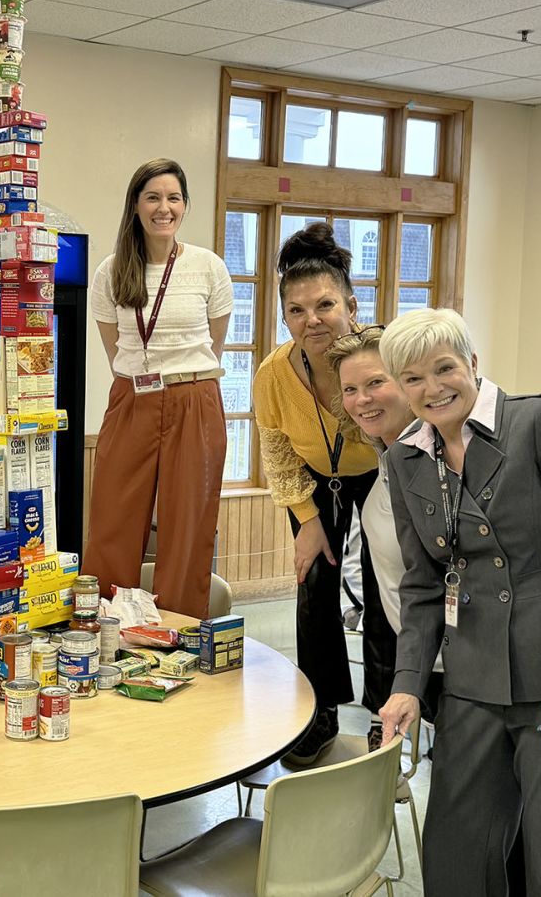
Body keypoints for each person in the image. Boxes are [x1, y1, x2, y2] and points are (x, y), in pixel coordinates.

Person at [378, 308, 541, 897]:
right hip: (472, 685)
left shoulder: (539, 422)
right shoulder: (404, 458)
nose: (432, 388)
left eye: (444, 369)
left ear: (472, 363)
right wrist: (408, 683)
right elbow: (421, 585)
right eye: (413, 378)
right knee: (455, 868)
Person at [251, 222, 396, 763]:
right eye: (296, 310)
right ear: (284, 316)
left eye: (325, 305)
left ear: (351, 305)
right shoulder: (271, 374)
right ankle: (320, 713)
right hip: (312, 479)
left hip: (383, 470)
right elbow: (277, 450)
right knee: (314, 587)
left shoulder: (383, 356)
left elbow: (407, 430)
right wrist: (306, 520)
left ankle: (388, 711)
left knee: (388, 588)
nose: (311, 320)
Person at [83, 158, 232, 619]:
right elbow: (115, 353)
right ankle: (102, 624)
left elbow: (214, 344)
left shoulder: (208, 267)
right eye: (152, 197)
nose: (163, 207)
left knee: (188, 522)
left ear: (184, 206)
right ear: (135, 205)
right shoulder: (111, 271)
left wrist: (178, 383)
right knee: (113, 516)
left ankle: (179, 632)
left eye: (173, 197)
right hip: (133, 397)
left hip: (195, 397)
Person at [327, 324, 445, 720]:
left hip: (465, 669)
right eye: (349, 390)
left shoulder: (443, 466)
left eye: (376, 382)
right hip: (423, 664)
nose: (361, 400)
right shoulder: (385, 467)